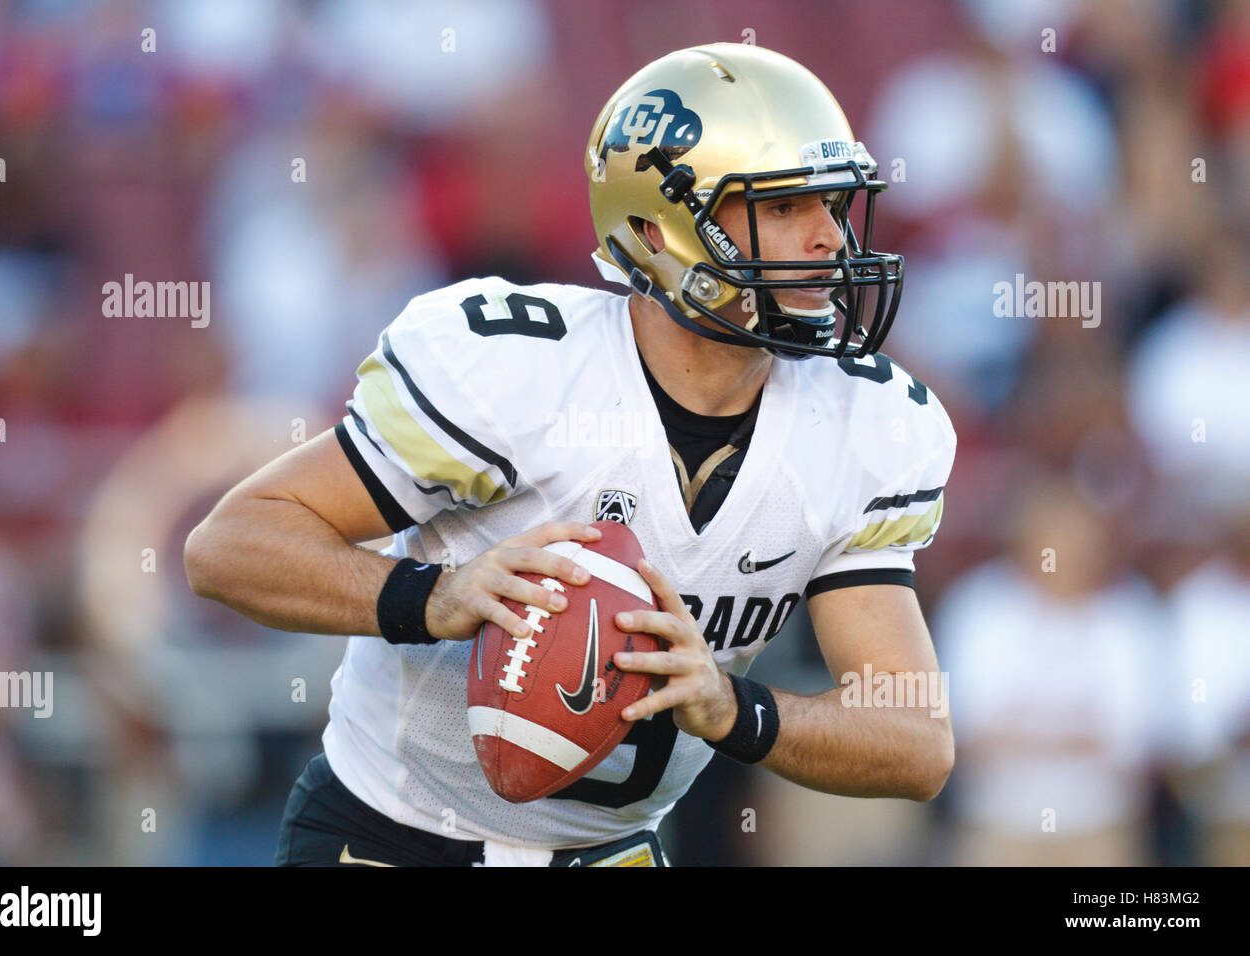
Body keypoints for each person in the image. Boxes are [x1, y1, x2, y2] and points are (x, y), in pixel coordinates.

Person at [184, 42, 957, 867]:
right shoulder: (519, 373)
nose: (829, 242)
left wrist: (735, 709)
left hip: (612, 853)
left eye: (835, 208)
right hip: (391, 836)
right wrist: (432, 596)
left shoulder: (857, 422)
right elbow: (229, 547)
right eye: (786, 208)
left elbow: (916, 743)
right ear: (663, 227)